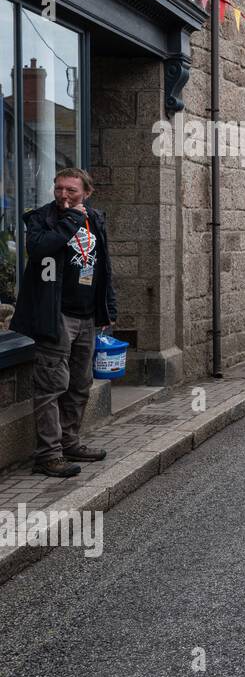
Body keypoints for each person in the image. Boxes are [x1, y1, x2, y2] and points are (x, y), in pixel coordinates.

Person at [11, 167, 118, 479]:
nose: (63, 195)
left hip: (86, 316)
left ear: (87, 192)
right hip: (55, 315)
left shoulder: (95, 219)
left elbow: (103, 267)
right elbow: (40, 248)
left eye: (71, 190)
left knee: (79, 385)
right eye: (59, 188)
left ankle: (70, 442)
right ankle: (48, 455)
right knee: (51, 386)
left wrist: (107, 310)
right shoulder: (41, 218)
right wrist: (71, 218)